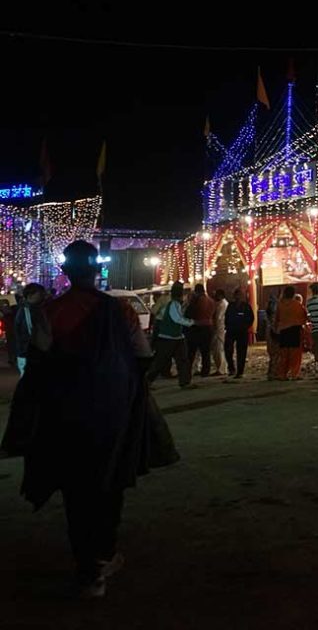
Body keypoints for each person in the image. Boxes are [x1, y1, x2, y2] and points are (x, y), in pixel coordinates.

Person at [2, 241, 168, 598]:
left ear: (65, 271)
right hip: (111, 414)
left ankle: (87, 567)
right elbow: (142, 357)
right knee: (110, 482)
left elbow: (38, 362)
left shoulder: (51, 311)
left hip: (65, 413)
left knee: (76, 489)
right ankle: (103, 556)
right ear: (97, 271)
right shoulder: (120, 311)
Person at [149, 282, 195, 388]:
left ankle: (185, 381)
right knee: (161, 360)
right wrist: (192, 322)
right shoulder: (173, 304)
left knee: (182, 360)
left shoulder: (174, 303)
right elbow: (177, 318)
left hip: (175, 336)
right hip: (169, 336)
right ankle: (147, 380)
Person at [12, 283, 51, 377]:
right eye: (40, 294)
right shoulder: (27, 311)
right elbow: (27, 331)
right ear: (30, 295)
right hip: (29, 353)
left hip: (31, 352)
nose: (43, 296)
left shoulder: (36, 309)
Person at [271, 285, 307, 380]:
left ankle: (282, 374)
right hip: (295, 330)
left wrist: (275, 329)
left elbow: (276, 319)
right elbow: (304, 317)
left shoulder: (280, 304)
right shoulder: (297, 305)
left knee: (284, 354)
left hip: (283, 331)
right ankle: (294, 374)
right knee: (295, 354)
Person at [185, 283, 215, 377]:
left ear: (196, 291)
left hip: (197, 326)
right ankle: (205, 371)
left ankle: (187, 371)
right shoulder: (211, 301)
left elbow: (189, 313)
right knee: (205, 352)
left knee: (191, 352)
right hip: (208, 327)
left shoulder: (196, 300)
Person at [223, 289, 253, 378]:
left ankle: (240, 371)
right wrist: (227, 326)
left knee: (241, 352)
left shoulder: (246, 306)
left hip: (242, 332)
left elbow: (251, 318)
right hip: (231, 331)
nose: (238, 297)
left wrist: (245, 327)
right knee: (228, 349)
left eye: (239, 295)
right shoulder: (231, 306)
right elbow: (227, 317)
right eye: (236, 295)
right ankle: (231, 368)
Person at [210, 289, 228, 376]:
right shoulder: (223, 303)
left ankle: (221, 369)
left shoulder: (222, 304)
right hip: (220, 328)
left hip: (219, 329)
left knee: (218, 349)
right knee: (219, 349)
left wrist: (214, 327)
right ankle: (222, 368)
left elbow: (218, 318)